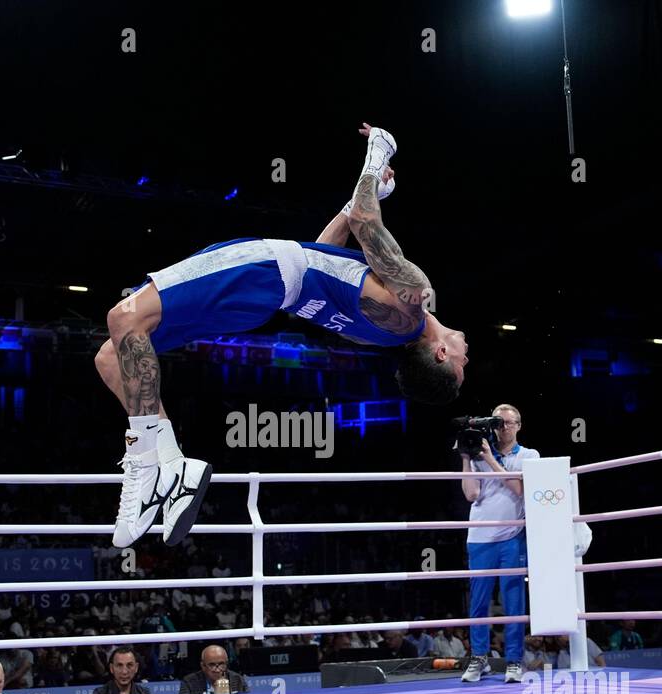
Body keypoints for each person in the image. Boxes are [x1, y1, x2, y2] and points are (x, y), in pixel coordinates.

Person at [96, 124, 469, 549]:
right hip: (266, 296)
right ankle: (169, 462)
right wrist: (354, 206)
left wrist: (377, 154)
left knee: (123, 317)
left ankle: (147, 466)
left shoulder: (411, 299)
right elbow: (320, 253)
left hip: (262, 271)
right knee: (112, 357)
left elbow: (364, 222)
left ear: (440, 354)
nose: (467, 358)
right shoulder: (379, 338)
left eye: (461, 366)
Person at [460, 404, 538, 684]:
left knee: (513, 602)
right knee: (478, 603)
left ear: (519, 425)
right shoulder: (478, 456)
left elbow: (520, 491)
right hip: (479, 537)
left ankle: (515, 661)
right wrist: (466, 458)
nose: (502, 428)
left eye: (508, 423)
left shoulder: (529, 456)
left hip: (512, 538)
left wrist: (492, 460)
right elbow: (471, 495)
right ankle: (479, 658)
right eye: (498, 423)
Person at [87, 646, 152, 694]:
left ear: (136, 667)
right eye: (119, 665)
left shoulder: (144, 693)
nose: (124, 671)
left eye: (129, 665)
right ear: (111, 668)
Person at [179, 644, 250, 694]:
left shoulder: (237, 679)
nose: (217, 669)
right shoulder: (189, 682)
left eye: (221, 664)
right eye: (212, 665)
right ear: (203, 666)